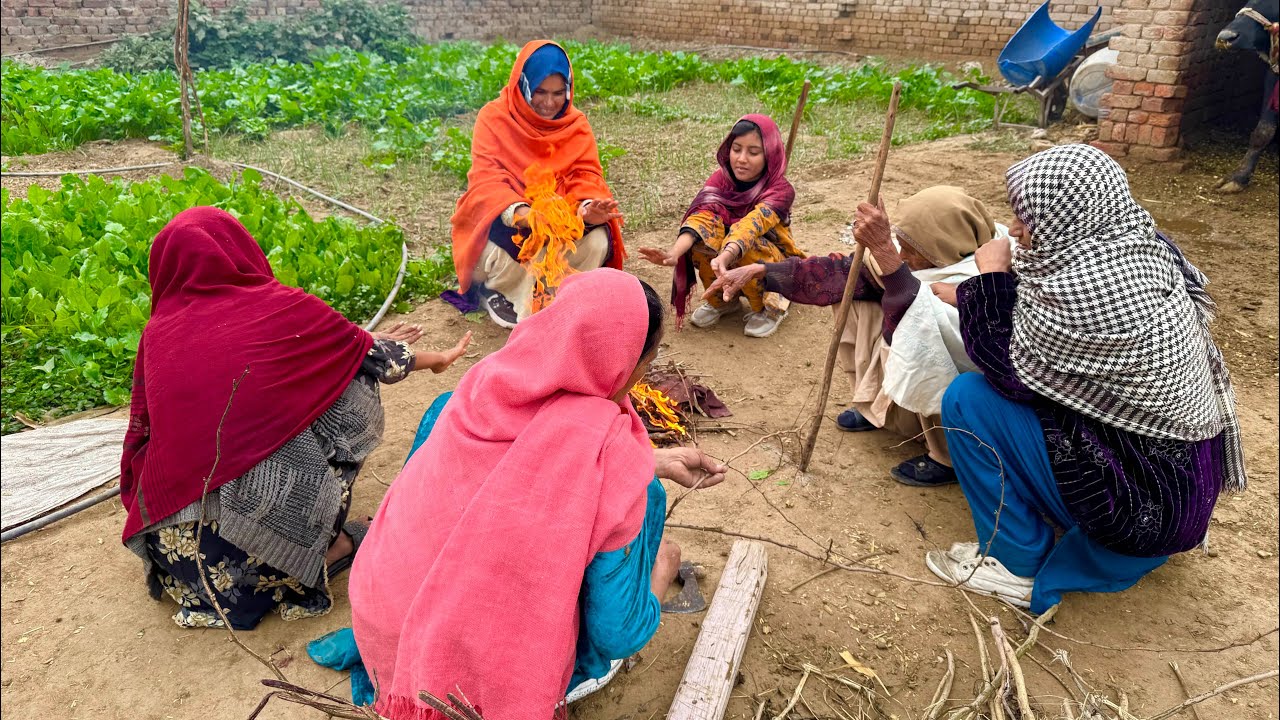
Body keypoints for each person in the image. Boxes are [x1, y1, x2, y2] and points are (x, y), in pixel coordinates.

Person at [348, 269, 728, 718]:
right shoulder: (616, 462)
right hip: (454, 688)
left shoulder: (477, 388)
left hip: (382, 632)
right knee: (643, 523)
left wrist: (653, 459)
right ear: (629, 363)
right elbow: (618, 634)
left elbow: (524, 462)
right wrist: (663, 568)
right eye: (651, 355)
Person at [119, 207, 471, 630]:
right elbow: (373, 359)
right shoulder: (281, 308)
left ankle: (250, 556)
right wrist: (435, 360)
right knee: (350, 382)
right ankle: (327, 547)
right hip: (259, 563)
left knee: (316, 372)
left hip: (183, 562)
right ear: (238, 250)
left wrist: (353, 339)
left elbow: (144, 430)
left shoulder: (158, 334)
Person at [927, 145, 1245, 612]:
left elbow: (1010, 372)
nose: (1015, 229)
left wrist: (990, 281)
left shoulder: (1093, 296)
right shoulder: (1133, 253)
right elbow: (1061, 336)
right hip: (1178, 502)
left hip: (1139, 517)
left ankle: (1013, 565)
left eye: (1027, 218)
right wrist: (984, 296)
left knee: (968, 398)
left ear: (1071, 217)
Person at [706, 186, 1009, 485]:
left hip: (961, 398)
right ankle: (875, 405)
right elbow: (841, 272)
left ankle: (948, 457)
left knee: (928, 338)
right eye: (900, 245)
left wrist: (886, 254)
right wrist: (760, 271)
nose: (902, 255)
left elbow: (915, 311)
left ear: (943, 248)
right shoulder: (936, 258)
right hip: (910, 359)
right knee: (850, 291)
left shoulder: (989, 280)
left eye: (912, 251)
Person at [450, 40, 625, 329]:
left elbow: (586, 176)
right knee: (529, 248)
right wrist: (527, 216)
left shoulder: (576, 124)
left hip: (560, 224)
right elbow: (486, 181)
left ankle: (560, 296)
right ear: (522, 85)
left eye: (559, 93)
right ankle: (500, 292)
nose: (549, 103)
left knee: (597, 241)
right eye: (540, 91)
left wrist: (586, 208)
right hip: (510, 223)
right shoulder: (494, 119)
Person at [640, 115, 805, 338]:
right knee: (701, 243)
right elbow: (702, 218)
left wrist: (725, 256)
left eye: (754, 152)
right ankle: (723, 301)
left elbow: (750, 226)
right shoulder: (721, 180)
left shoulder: (780, 190)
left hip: (770, 258)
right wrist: (674, 254)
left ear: (770, 155)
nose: (742, 159)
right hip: (728, 255)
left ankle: (768, 308)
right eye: (736, 149)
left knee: (751, 246)